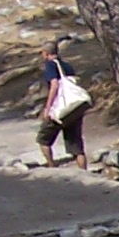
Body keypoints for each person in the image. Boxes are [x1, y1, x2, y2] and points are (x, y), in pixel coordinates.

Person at [38, 39, 90, 168]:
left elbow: (54, 85)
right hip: (73, 107)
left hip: (60, 109)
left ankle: (51, 167)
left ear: (45, 53)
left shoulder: (50, 65)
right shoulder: (67, 66)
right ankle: (84, 171)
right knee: (76, 144)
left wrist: (48, 108)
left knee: (43, 139)